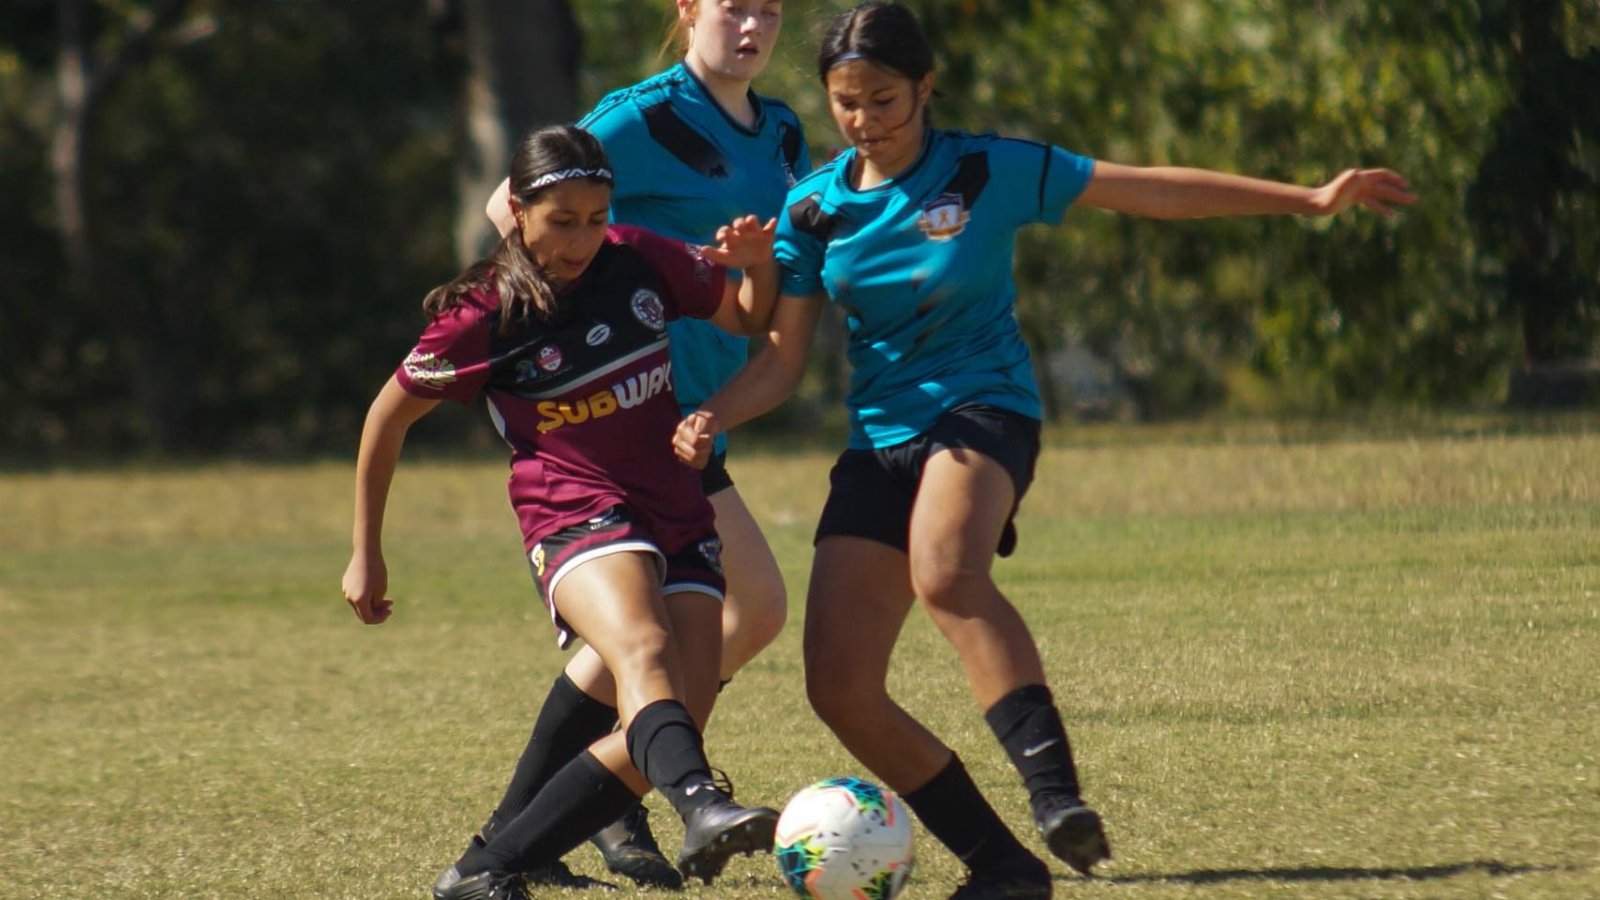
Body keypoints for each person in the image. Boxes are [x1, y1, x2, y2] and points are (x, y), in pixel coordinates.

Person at [672, 4, 1418, 899]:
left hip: (984, 414)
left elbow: (1151, 189)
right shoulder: (813, 209)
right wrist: (713, 413)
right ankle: (1003, 868)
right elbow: (783, 361)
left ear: (926, 86)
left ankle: (1056, 798)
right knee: (838, 686)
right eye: (846, 103)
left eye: (885, 99)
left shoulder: (989, 168)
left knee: (946, 573)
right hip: (879, 440)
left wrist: (1308, 199)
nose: (866, 120)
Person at [340, 124, 784, 900]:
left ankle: (486, 870)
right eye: (561, 220)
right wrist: (365, 552)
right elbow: (385, 420)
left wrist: (757, 268)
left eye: (595, 216)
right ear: (516, 211)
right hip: (574, 512)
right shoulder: (484, 312)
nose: (582, 238)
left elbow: (746, 317)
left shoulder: (637, 256)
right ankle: (703, 806)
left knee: (675, 709)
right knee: (642, 651)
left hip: (677, 508)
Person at [478, 0, 807, 887]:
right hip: (635, 415)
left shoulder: (781, 132)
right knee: (743, 610)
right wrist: (576, 343)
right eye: (734, 7)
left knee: (702, 625)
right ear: (688, 10)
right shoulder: (637, 114)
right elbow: (515, 205)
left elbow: (779, 262)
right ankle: (621, 777)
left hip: (696, 412)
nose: (753, 26)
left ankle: (562, 809)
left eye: (770, 11)